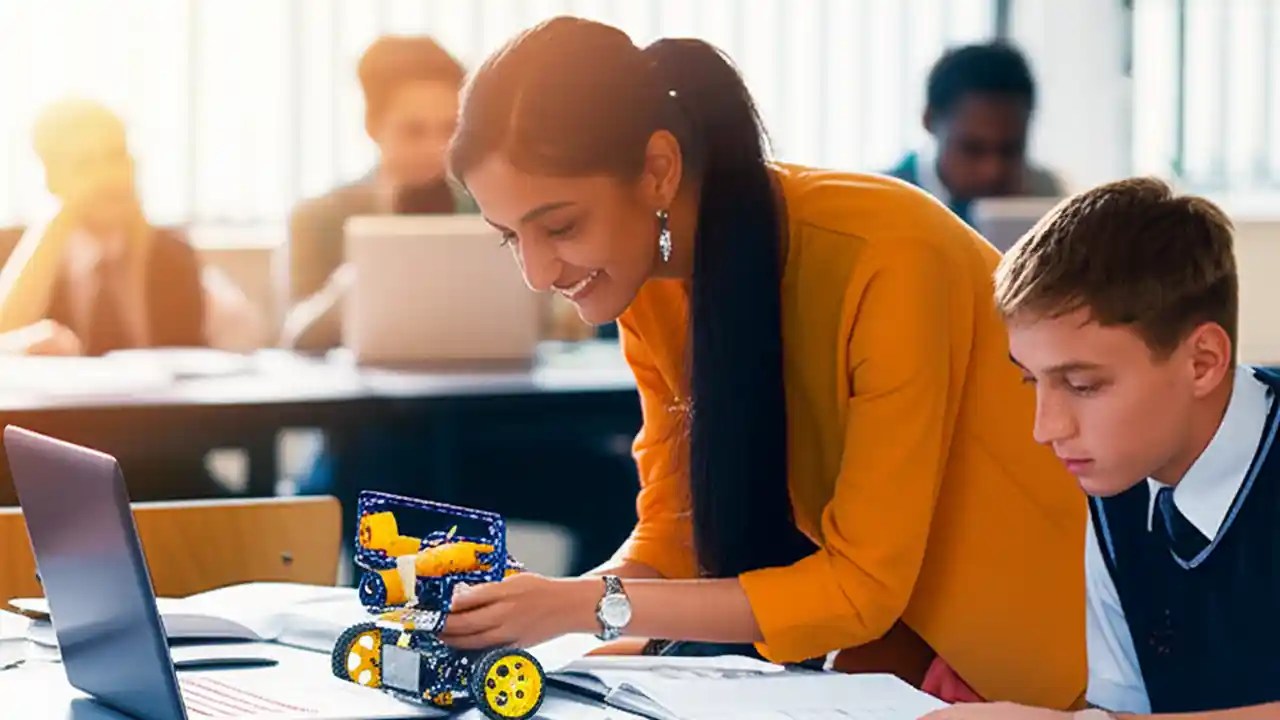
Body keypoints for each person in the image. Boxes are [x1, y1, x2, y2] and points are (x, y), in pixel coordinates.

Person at [434, 16, 1086, 708]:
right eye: (509, 237)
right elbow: (674, 528)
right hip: (905, 654)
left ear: (658, 170)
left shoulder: (885, 258)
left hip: (1045, 663)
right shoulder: (646, 280)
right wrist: (545, 614)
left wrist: (586, 605)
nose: (537, 273)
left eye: (561, 227)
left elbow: (856, 589)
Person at [923, 180, 1280, 720]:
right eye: (1031, 382)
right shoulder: (1122, 480)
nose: (1046, 428)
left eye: (1083, 385)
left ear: (1202, 362)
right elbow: (1125, 711)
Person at [282, 35, 476, 351]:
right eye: (414, 130)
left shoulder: (488, 214)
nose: (436, 149)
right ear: (372, 125)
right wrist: (356, 281)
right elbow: (295, 337)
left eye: (449, 129)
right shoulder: (318, 217)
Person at [0, 98, 205, 355]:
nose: (108, 176)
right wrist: (59, 222)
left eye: (115, 156)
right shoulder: (14, 255)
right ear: (51, 177)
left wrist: (138, 249)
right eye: (85, 164)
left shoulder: (173, 256)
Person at [886, 43, 1063, 226]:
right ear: (929, 120)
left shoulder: (1046, 201)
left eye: (1010, 150)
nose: (992, 172)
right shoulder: (883, 201)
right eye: (972, 149)